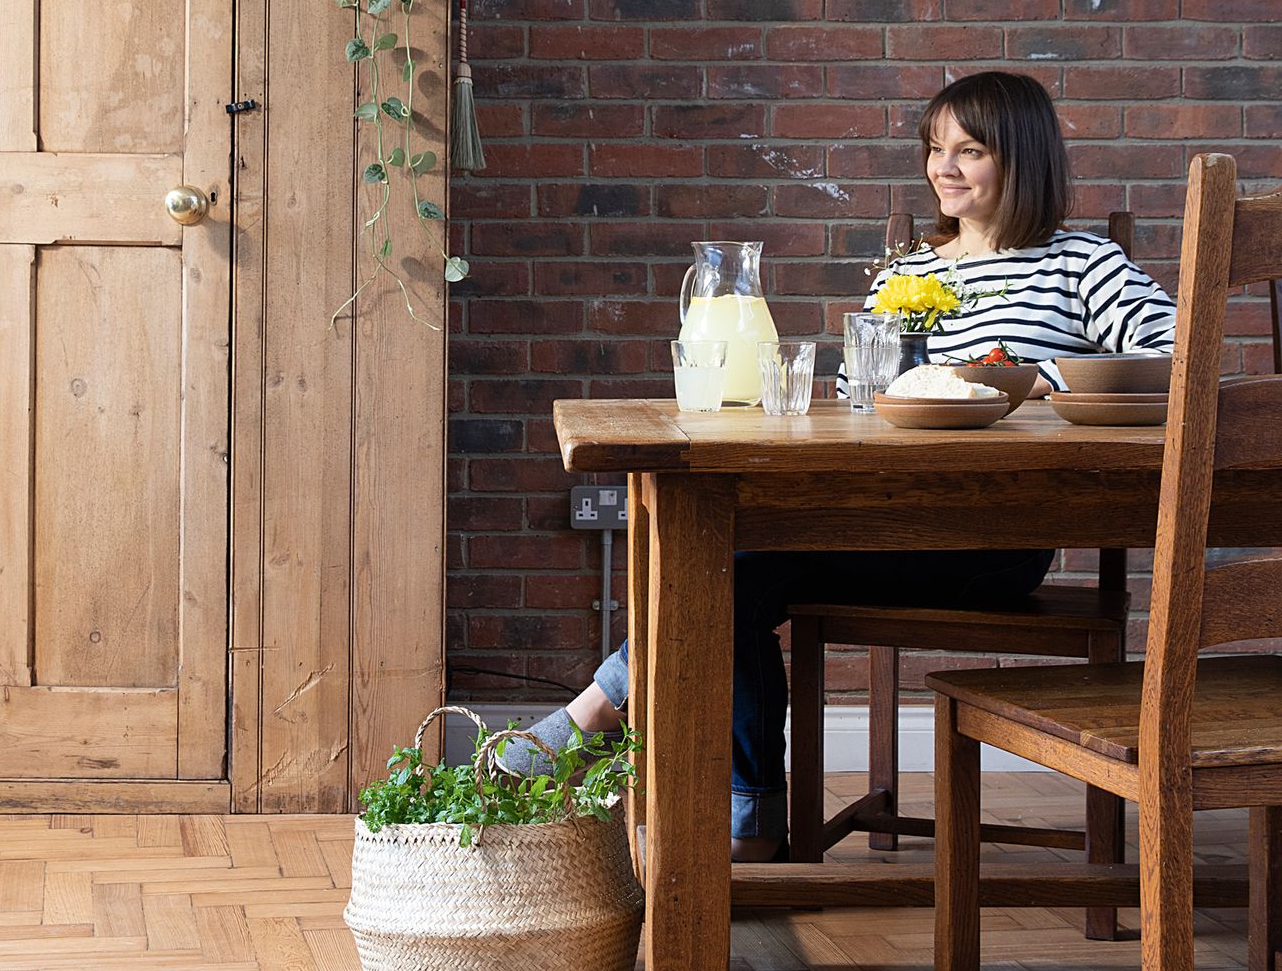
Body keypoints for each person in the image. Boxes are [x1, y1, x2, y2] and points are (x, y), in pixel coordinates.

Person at [502, 70, 1177, 861]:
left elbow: (1173, 352)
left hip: (997, 540)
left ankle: (592, 728)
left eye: (969, 151)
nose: (943, 168)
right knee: (730, 569)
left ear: (1022, 158)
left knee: (731, 566)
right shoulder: (909, 272)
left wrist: (1035, 380)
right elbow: (870, 398)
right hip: (888, 518)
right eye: (934, 149)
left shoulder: (1081, 264)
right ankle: (747, 815)